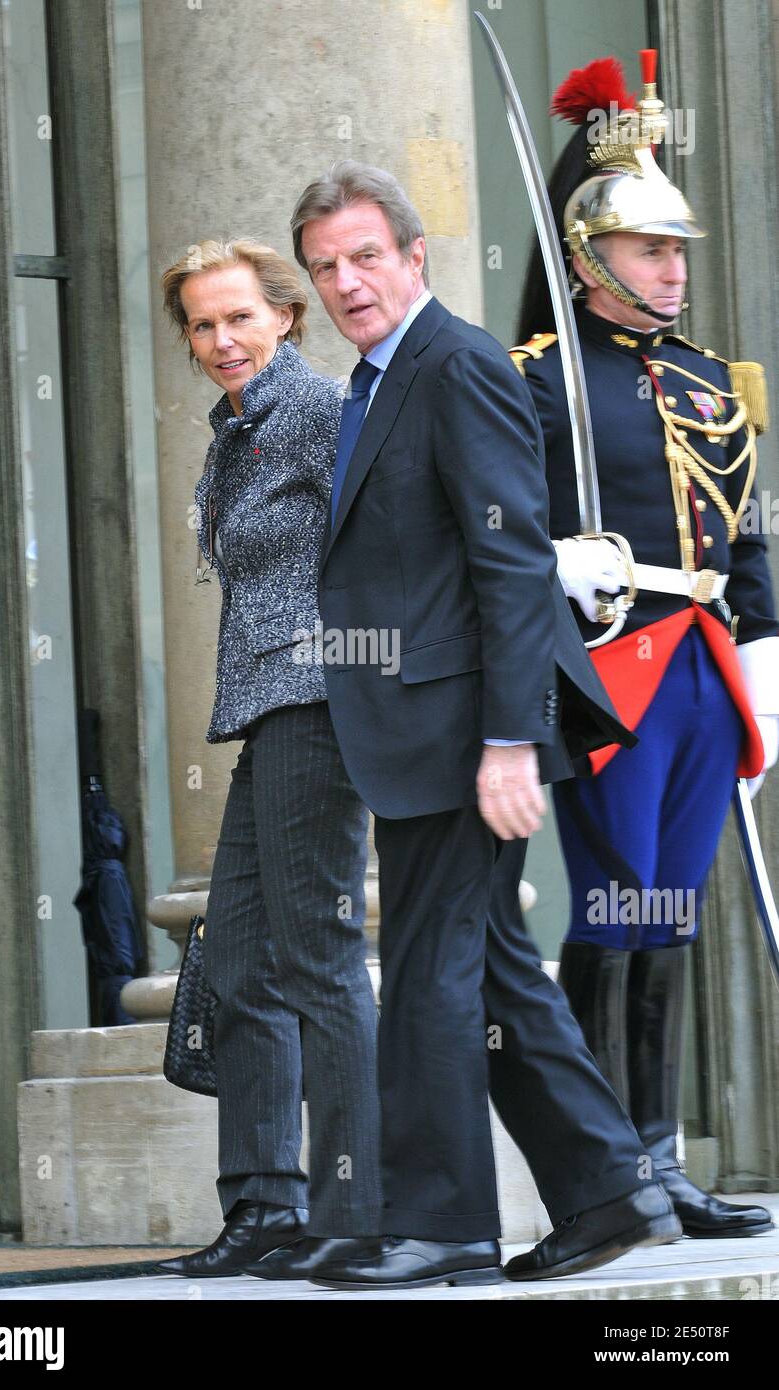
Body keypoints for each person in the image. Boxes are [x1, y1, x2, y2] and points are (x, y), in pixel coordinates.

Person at [273, 159, 682, 1291]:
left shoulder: (454, 364)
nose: (347, 281)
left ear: (413, 256)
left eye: (365, 255)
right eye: (324, 266)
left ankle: (443, 1225)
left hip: (466, 734)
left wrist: (509, 740)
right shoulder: (373, 378)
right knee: (493, 967)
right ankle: (610, 1192)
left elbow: (511, 564)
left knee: (432, 975)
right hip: (428, 732)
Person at [506, 55, 776, 1238]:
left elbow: (750, 531)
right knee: (612, 907)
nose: (672, 269)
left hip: (706, 665)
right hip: (609, 662)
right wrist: (553, 564)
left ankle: (661, 1159)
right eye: (648, 251)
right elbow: (501, 534)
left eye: (676, 251)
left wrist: (765, 647)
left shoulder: (718, 382)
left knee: (669, 907)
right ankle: (607, 1166)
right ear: (588, 257)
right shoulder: (534, 379)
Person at [155, 239, 382, 1278]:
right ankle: (262, 1204)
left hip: (319, 699)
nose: (221, 340)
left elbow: (393, 539)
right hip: (264, 708)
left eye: (239, 316)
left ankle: (352, 1205)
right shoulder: (234, 434)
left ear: (285, 315)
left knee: (316, 958)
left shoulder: (322, 410)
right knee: (241, 960)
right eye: (202, 324)